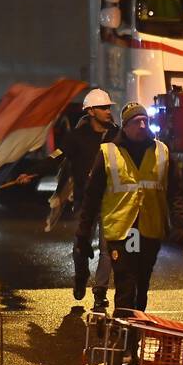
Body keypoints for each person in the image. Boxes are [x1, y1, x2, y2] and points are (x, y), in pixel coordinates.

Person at [76, 101, 183, 317]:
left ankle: (133, 336)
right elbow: (92, 196)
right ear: (125, 126)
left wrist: (180, 224)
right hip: (123, 231)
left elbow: (175, 192)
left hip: (149, 230)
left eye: (145, 121)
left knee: (141, 285)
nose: (143, 126)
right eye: (137, 122)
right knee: (126, 283)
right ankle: (123, 341)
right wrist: (83, 233)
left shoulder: (161, 151)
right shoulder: (108, 153)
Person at [48, 88, 117, 312]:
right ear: (90, 111)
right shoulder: (77, 138)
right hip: (85, 202)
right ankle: (81, 276)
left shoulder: (117, 135)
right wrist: (31, 172)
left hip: (109, 202)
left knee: (108, 250)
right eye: (103, 107)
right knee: (80, 246)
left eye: (109, 107)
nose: (108, 111)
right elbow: (57, 157)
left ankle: (100, 293)